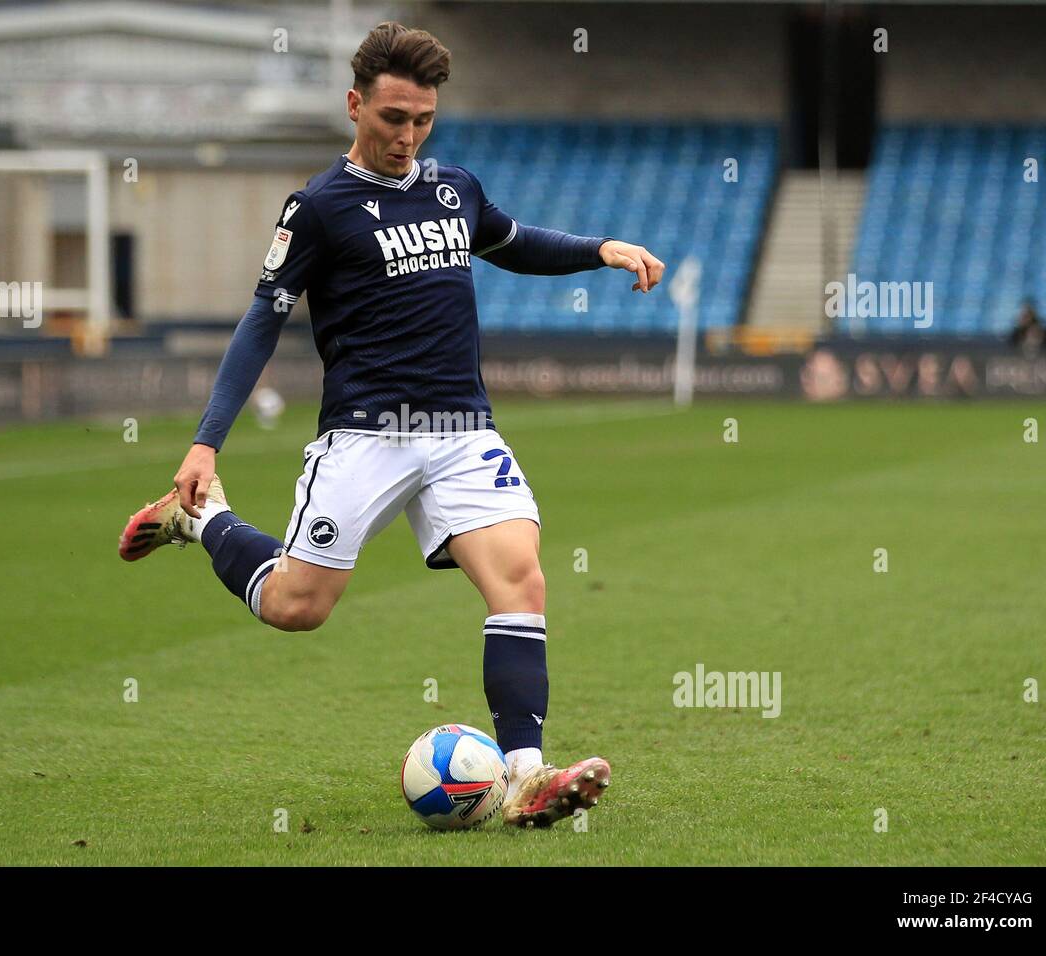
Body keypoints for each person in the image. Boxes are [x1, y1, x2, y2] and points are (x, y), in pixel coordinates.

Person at [119, 21, 665, 827]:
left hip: (463, 431)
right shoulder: (317, 209)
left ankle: (524, 776)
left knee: (521, 577)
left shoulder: (456, 189)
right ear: (354, 105)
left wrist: (600, 249)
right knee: (298, 606)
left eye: (422, 121)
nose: (407, 137)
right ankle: (202, 520)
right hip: (365, 436)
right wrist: (206, 441)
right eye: (392, 119)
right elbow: (261, 322)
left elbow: (513, 244)